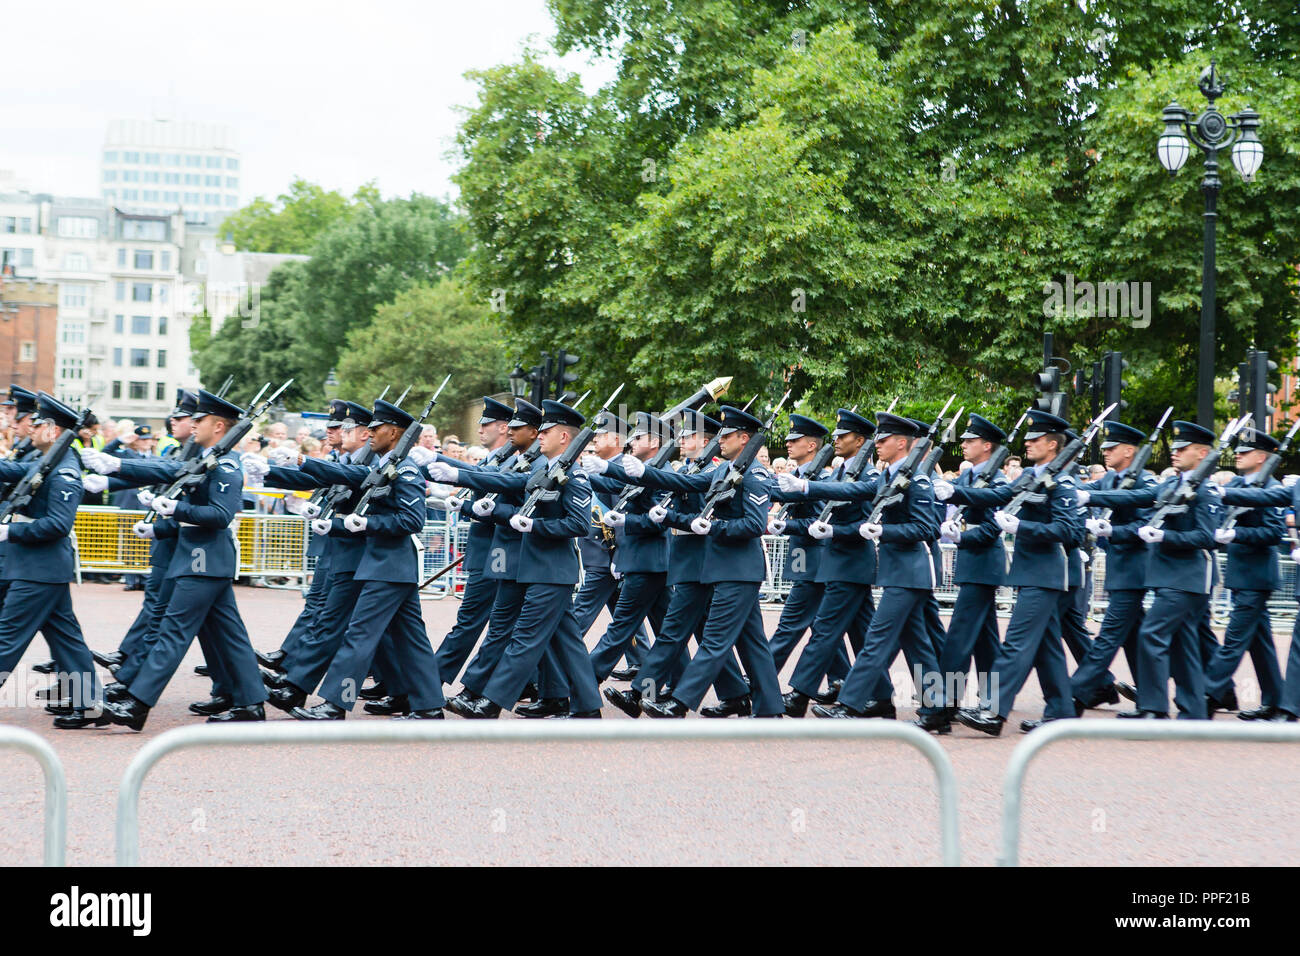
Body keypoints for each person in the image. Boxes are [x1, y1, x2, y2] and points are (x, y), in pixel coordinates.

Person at [99, 389, 269, 730]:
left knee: (172, 633)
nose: (193, 423)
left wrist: (178, 508)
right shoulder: (206, 457)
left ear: (219, 425)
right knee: (230, 635)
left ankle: (138, 704)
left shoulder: (226, 464)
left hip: (204, 559)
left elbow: (221, 515)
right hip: (198, 557)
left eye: (200, 419)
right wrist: (118, 466)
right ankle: (252, 703)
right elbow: (169, 467)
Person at [428, 400, 604, 718]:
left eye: (547, 431)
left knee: (524, 638)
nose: (541, 436)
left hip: (551, 572)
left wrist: (535, 525)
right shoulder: (547, 470)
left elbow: (578, 525)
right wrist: (457, 475)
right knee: (568, 643)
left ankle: (490, 701)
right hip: (537, 569)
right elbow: (506, 481)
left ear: (564, 437)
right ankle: (587, 707)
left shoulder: (575, 477)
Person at [614, 404, 785, 719]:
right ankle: (769, 709)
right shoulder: (722, 470)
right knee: (752, 644)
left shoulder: (755, 474)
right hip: (718, 567)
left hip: (738, 568)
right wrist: (642, 474)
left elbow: (753, 524)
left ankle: (679, 702)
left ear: (744, 438)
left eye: (727, 434)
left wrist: (713, 526)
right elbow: (687, 485)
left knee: (715, 640)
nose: (720, 439)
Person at [778, 412, 943, 729]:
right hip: (897, 571)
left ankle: (851, 703)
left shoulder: (917, 480)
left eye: (882, 440)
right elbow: (852, 492)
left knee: (877, 641)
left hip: (911, 571)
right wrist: (806, 488)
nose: (877, 445)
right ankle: (936, 709)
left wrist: (882, 532)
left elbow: (926, 528)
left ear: (901, 442)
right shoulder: (888, 477)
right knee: (918, 645)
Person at [290, 397, 447, 720]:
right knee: (412, 641)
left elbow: (413, 520)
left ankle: (336, 702)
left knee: (359, 635)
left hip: (388, 567)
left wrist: (369, 523)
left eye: (377, 428)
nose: (370, 433)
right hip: (385, 565)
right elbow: (346, 482)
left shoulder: (405, 470)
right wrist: (335, 522)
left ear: (395, 432)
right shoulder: (382, 467)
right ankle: (430, 706)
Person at [934, 409, 1082, 734]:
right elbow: (998, 495)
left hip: (1045, 574)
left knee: (1016, 644)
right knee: (1046, 646)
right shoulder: (1030, 477)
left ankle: (993, 712)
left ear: (1053, 445)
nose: (1027, 444)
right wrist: (956, 492)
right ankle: (1061, 710)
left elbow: (1070, 531)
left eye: (1035, 439)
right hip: (1029, 573)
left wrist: (1022, 526)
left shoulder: (1063, 482)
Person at [1073, 420, 1221, 719]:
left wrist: (1165, 536)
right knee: (1184, 645)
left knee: (1151, 635)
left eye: (1183, 448)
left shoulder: (1206, 490)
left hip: (1186, 578)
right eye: (1175, 448)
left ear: (1203, 453)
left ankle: (1154, 708)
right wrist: (1090, 496)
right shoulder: (1170, 484)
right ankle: (1194, 711)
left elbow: (1207, 537)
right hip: (1168, 577)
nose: (1175, 453)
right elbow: (1134, 498)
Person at [0, 392, 103, 729]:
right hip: (41, 568)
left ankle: (90, 704)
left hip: (39, 569)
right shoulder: (47, 461)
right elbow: (13, 470)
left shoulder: (64, 472)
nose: (31, 427)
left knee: (6, 637)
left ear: (55, 431)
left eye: (40, 423)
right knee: (66, 640)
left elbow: (59, 525)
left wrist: (11, 532)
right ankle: (90, 705)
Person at [773, 410, 878, 716]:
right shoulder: (838, 473)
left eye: (842, 436)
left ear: (859, 441)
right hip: (837, 563)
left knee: (824, 631)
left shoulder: (865, 475)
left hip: (848, 561)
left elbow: (854, 505)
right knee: (866, 637)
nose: (836, 440)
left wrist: (806, 489)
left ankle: (799, 694)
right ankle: (877, 694)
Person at [1068, 421, 1151, 710]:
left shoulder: (1143, 481)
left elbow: (1146, 525)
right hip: (1120, 570)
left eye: (1112, 448)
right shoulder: (1110, 479)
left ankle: (1076, 694)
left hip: (1134, 571)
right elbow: (1083, 489)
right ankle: (1151, 697)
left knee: (1108, 637)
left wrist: (1112, 531)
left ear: (1129, 451)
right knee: (1133, 637)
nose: (1105, 452)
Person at [934, 413, 1010, 718]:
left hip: (984, 564)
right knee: (985, 640)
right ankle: (994, 699)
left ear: (987, 446)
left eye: (970, 440)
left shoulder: (998, 479)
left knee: (960, 635)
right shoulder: (966, 476)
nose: (964, 445)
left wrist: (962, 536)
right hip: (973, 564)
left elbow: (993, 528)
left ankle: (943, 704)